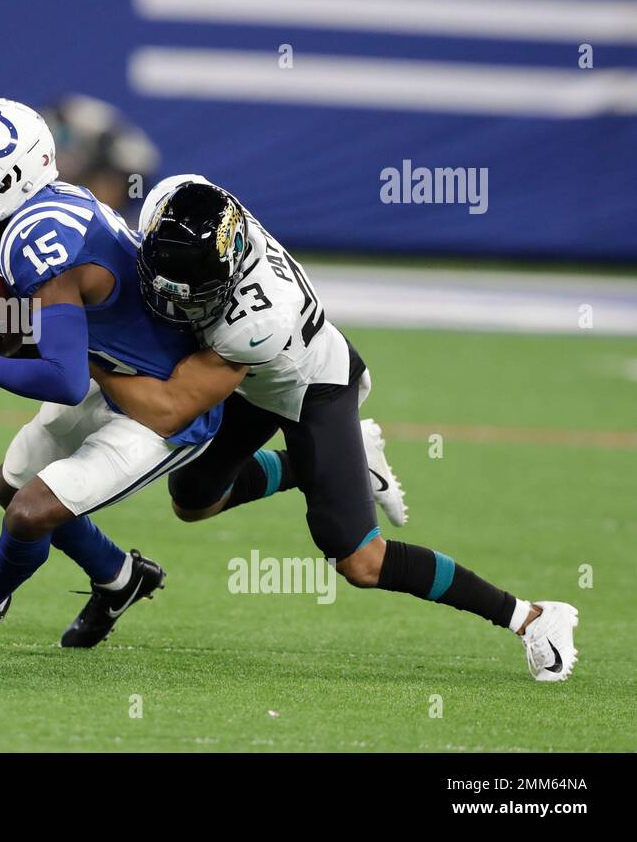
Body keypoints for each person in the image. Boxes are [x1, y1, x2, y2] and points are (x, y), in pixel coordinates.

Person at [98, 175, 578, 683]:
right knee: (192, 498)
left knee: (361, 562)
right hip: (254, 377)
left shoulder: (255, 320)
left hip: (310, 387)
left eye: (194, 295)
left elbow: (171, 407)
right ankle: (338, 463)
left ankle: (531, 617)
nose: (174, 304)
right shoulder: (181, 203)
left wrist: (88, 355)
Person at [0, 99, 228, 653]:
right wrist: (1, 321)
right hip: (109, 367)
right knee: (8, 489)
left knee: (31, 512)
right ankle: (121, 580)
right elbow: (67, 321)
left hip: (162, 401)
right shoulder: (25, 213)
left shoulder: (39, 240)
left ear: (10, 180)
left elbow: (60, 378)